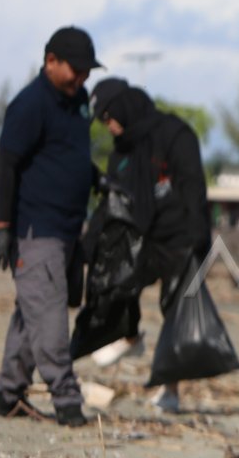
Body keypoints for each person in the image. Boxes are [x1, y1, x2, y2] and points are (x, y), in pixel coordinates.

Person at [0, 26, 104, 427]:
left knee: (32, 312)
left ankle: (7, 394)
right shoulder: (29, 104)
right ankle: (67, 400)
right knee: (50, 314)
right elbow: (7, 164)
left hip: (70, 227)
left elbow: (68, 154)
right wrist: (2, 226)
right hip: (37, 229)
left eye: (88, 72)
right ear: (50, 61)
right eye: (76, 70)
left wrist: (94, 177)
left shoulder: (79, 101)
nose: (82, 79)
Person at [85, 78, 212, 413]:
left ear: (123, 108)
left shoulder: (174, 133)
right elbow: (111, 202)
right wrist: (87, 244)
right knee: (118, 283)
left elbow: (194, 186)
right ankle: (129, 337)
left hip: (180, 235)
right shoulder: (122, 152)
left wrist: (200, 238)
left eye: (108, 116)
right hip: (142, 237)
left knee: (174, 310)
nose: (108, 126)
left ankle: (169, 389)